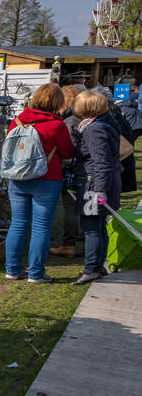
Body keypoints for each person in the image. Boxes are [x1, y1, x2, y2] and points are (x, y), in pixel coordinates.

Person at [4, 83, 74, 284]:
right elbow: (68, 152)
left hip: (18, 178)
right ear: (57, 102)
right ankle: (35, 273)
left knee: (17, 224)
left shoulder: (16, 122)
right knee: (41, 227)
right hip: (47, 179)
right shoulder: (56, 125)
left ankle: (13, 269)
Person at [71, 90, 124, 285]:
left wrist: (99, 190)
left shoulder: (94, 129)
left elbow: (102, 162)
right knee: (98, 226)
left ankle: (91, 268)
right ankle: (98, 265)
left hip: (94, 183)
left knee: (91, 227)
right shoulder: (105, 124)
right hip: (100, 181)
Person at [49, 84, 85, 257]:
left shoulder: (70, 121)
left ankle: (68, 244)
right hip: (79, 169)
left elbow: (69, 150)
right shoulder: (79, 118)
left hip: (73, 170)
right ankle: (71, 240)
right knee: (75, 206)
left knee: (71, 206)